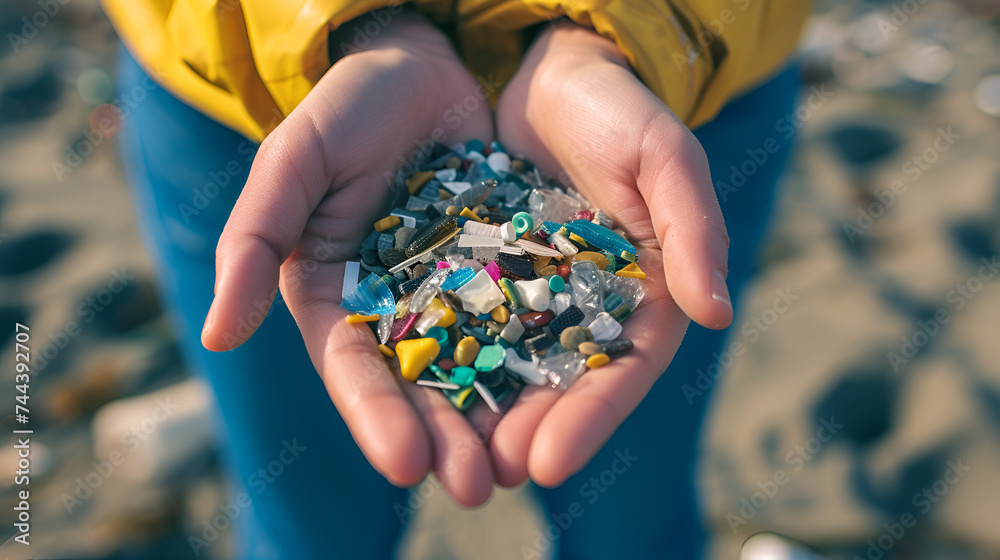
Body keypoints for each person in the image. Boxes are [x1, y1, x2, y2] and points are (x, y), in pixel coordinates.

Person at [103, 0, 809, 557]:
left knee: (632, 522)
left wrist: (624, 30)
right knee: (309, 522)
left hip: (687, 76)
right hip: (240, 75)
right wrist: (342, 24)